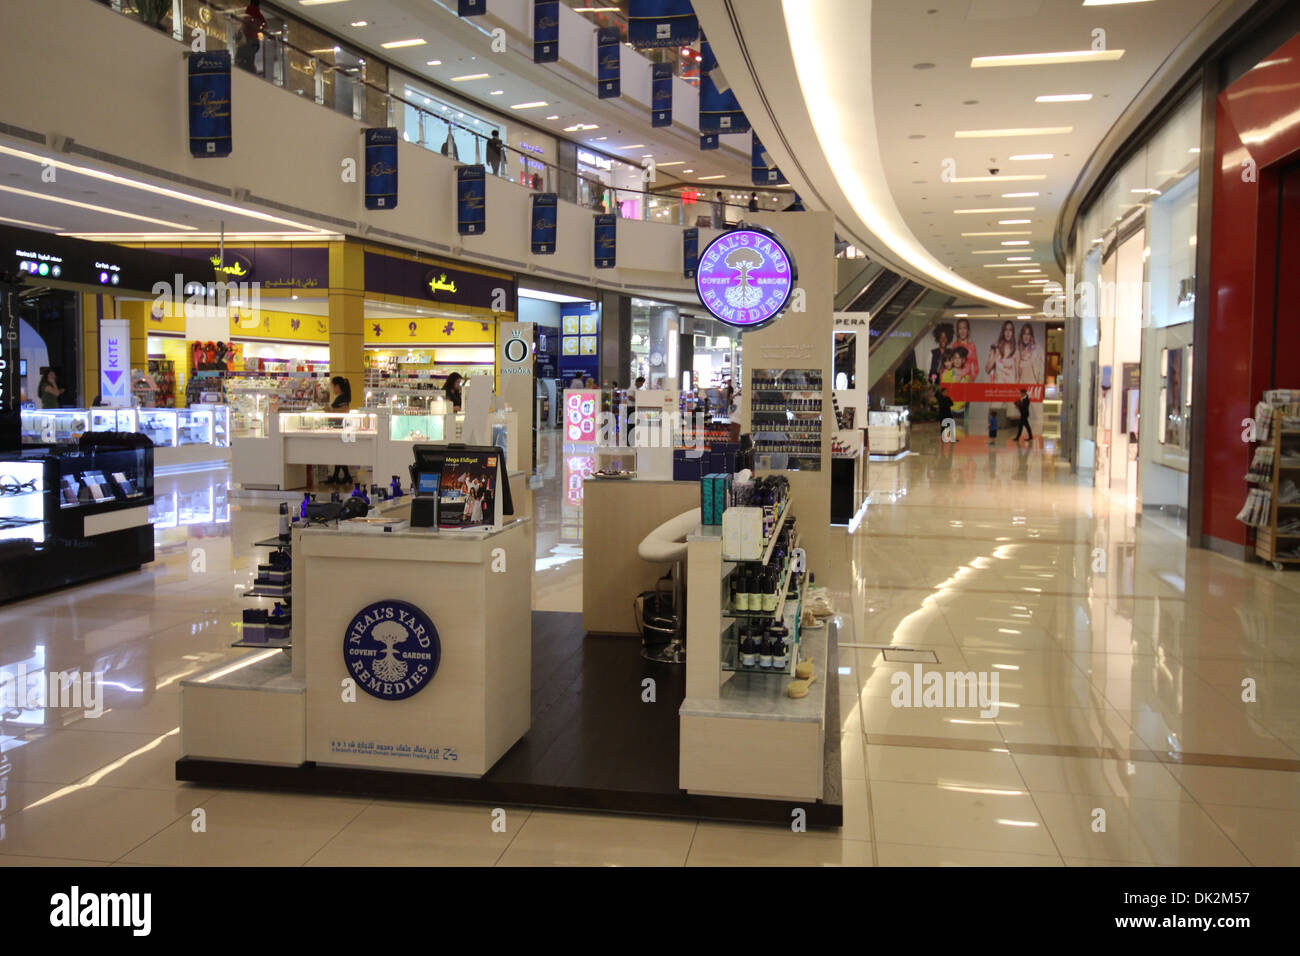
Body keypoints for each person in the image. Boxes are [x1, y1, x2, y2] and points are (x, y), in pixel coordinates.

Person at [327, 376, 354, 486]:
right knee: (339, 453)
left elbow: (344, 410)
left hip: (339, 427)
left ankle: (339, 476)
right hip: (341, 427)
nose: (332, 389)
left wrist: (331, 410)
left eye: (333, 386)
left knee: (338, 453)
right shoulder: (343, 397)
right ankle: (342, 476)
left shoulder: (341, 398)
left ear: (337, 386)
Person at [235, 0, 265, 74]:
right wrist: (259, 27)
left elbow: (246, 21)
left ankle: (245, 71)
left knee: (242, 57)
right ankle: (250, 72)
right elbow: (264, 24)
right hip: (254, 41)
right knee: (250, 58)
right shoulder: (257, 13)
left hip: (249, 39)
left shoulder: (250, 9)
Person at [951, 318, 980, 383]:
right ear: (957, 331)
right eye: (960, 328)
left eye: (964, 328)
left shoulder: (972, 346)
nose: (962, 331)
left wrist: (971, 378)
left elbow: (976, 368)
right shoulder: (954, 345)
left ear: (968, 330)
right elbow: (951, 365)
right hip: (955, 379)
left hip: (967, 380)